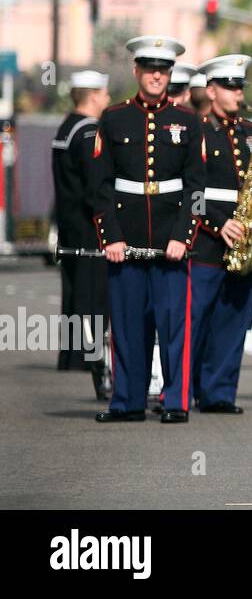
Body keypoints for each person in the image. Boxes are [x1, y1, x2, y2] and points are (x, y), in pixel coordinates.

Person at [89, 35, 203, 423]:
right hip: (126, 239)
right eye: (150, 69)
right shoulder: (113, 118)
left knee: (173, 328)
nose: (157, 76)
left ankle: (176, 402)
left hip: (171, 241)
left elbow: (196, 189)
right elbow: (101, 186)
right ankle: (127, 401)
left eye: (164, 70)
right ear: (136, 70)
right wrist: (111, 236)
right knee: (126, 325)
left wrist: (183, 235)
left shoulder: (188, 121)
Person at [188, 54, 252, 413]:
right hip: (206, 239)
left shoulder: (251, 132)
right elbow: (190, 190)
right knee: (197, 319)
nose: (238, 94)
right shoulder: (197, 131)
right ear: (211, 90)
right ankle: (183, 391)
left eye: (240, 87)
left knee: (233, 321)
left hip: (247, 238)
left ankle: (219, 393)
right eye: (230, 87)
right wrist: (218, 223)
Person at [52, 70, 113, 397]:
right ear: (92, 96)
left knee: (75, 293)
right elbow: (94, 185)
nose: (107, 99)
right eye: (103, 93)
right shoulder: (89, 132)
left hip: (70, 224)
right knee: (92, 297)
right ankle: (88, 358)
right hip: (89, 228)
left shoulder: (67, 126)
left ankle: (72, 355)